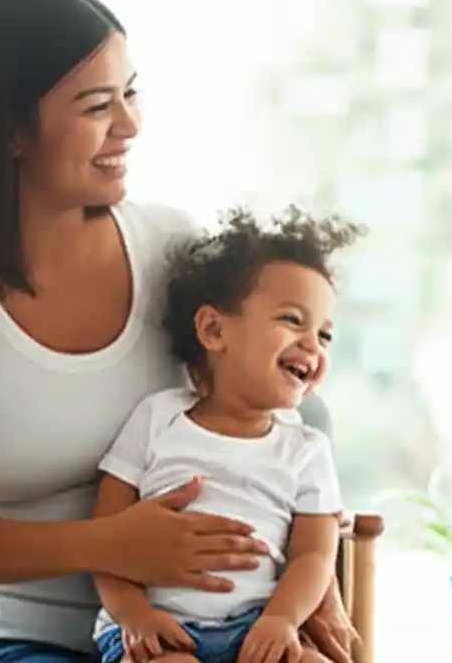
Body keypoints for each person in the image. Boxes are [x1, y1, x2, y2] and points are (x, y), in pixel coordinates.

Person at [0, 0, 361, 662]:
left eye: (131, 92)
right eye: (96, 106)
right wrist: (109, 546)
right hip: (18, 635)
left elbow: (271, 416)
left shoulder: (171, 250)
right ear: (9, 131)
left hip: (213, 627)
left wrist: (312, 588)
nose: (130, 124)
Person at [90, 207, 363, 663]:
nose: (313, 345)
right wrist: (132, 615)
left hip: (258, 626)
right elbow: (106, 537)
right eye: (293, 320)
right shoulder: (158, 418)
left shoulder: (306, 449)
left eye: (325, 335)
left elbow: (314, 556)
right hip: (159, 628)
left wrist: (282, 620)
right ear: (214, 330)